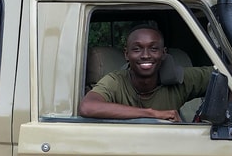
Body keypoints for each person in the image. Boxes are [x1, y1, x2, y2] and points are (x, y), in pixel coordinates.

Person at [80, 26, 212, 122]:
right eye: (137, 49)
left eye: (153, 49)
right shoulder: (116, 81)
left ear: (164, 53)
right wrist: (152, 114)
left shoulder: (180, 78)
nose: (145, 55)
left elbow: (229, 77)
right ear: (126, 54)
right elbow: (88, 107)